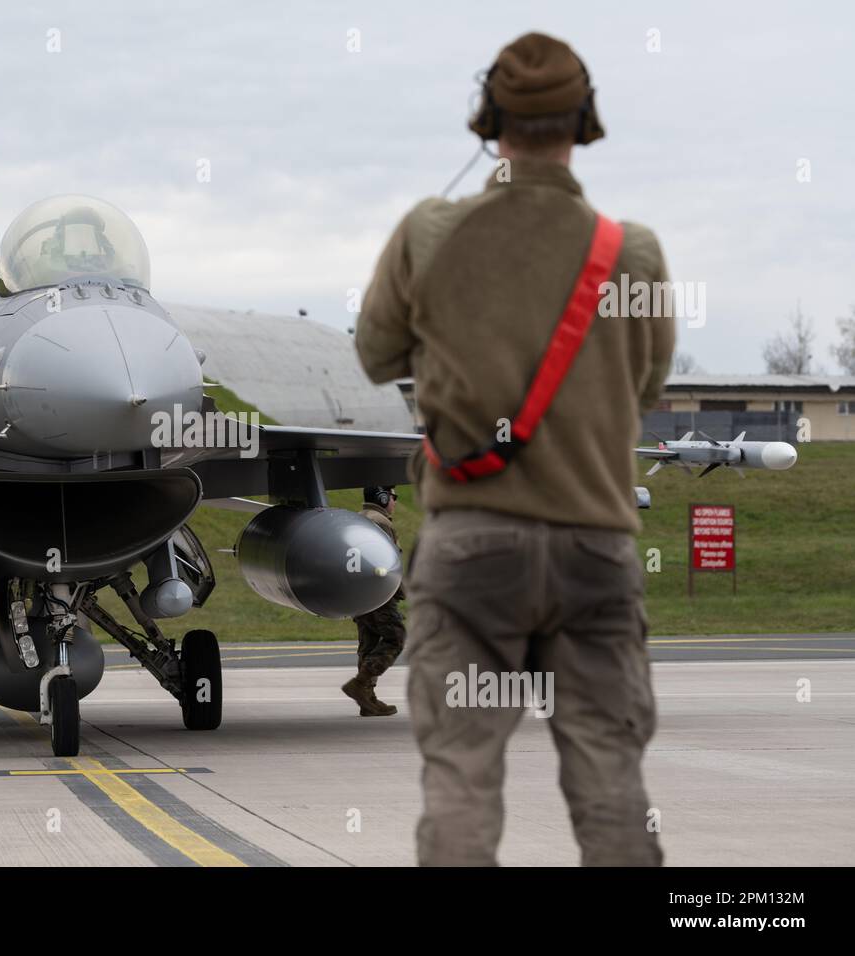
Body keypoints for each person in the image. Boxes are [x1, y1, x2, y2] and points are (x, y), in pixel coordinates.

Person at [355, 32, 675, 866]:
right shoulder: (631, 252)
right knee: (610, 780)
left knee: (461, 777)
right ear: (587, 120)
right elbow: (644, 390)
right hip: (595, 550)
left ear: (488, 119)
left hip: (472, 550)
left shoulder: (428, 232)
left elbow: (375, 354)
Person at [342, 485, 406, 717]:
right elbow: (385, 561)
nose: (395, 501)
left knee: (369, 642)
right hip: (378, 591)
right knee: (395, 638)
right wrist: (401, 589)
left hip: (358, 592)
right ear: (383, 497)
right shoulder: (381, 521)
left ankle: (367, 701)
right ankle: (361, 684)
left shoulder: (359, 518)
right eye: (393, 496)